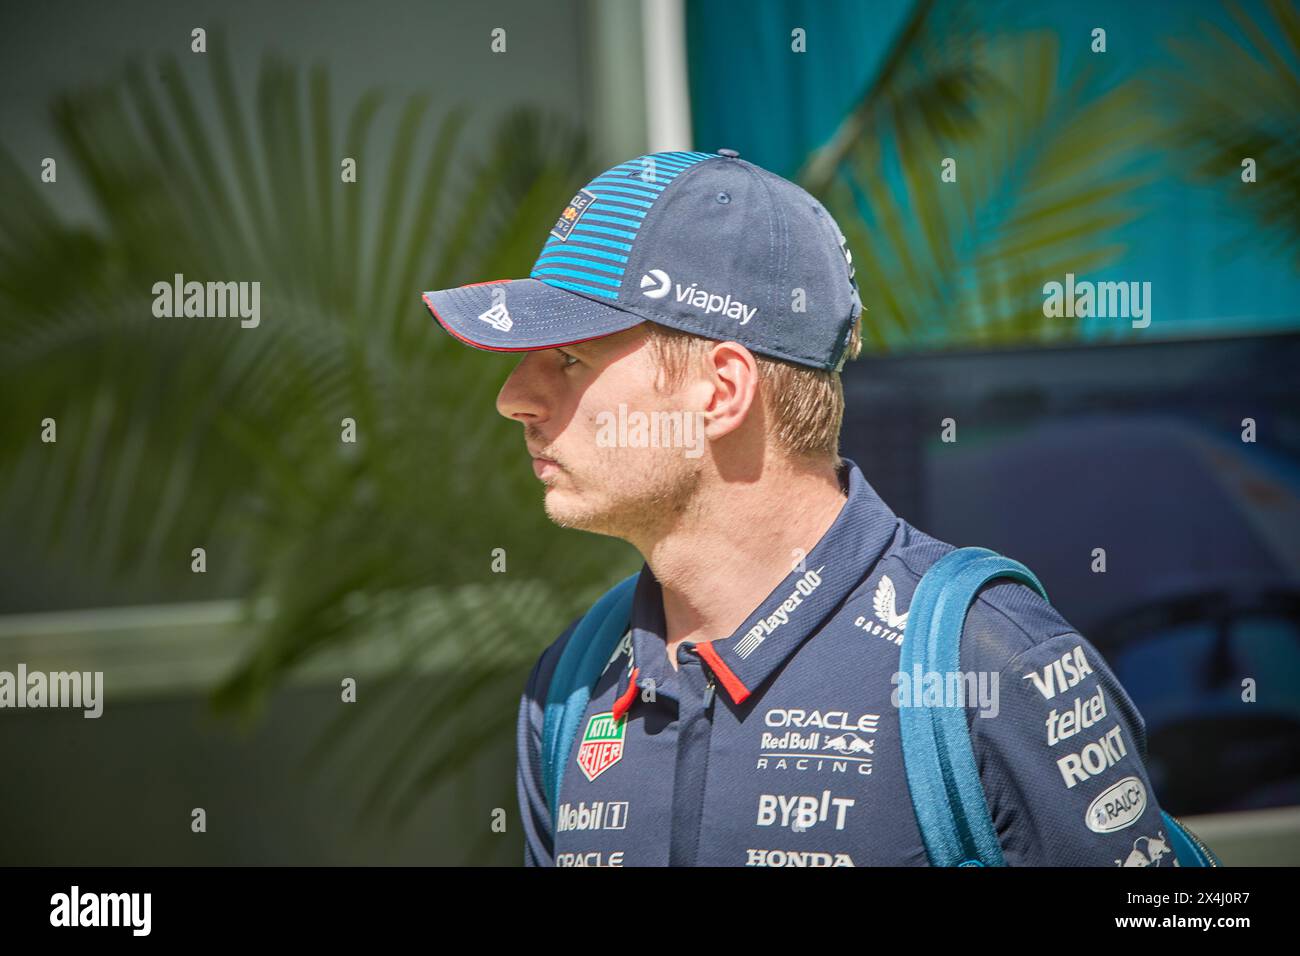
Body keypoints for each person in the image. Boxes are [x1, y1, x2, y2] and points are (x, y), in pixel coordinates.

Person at [421, 149, 1169, 867]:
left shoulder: (984, 661)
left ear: (720, 392)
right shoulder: (570, 687)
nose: (513, 398)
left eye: (570, 358)